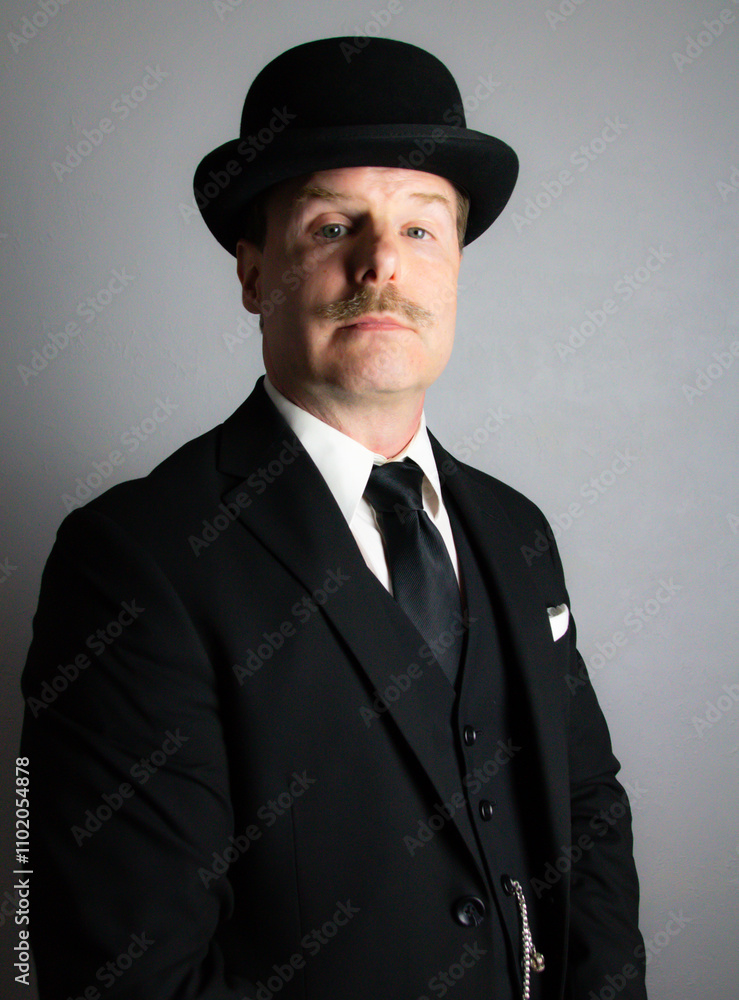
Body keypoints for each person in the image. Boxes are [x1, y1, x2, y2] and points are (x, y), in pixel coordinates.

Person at [21, 37, 648, 1000]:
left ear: (455, 269)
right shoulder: (134, 562)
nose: (379, 265)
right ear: (251, 272)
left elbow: (588, 813)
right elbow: (125, 977)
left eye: (420, 229)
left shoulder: (518, 531)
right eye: (328, 227)